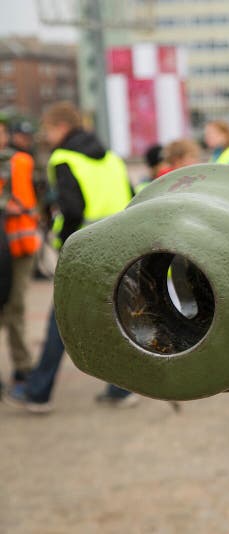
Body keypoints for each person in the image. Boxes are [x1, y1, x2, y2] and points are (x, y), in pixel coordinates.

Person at [5, 102, 137, 413]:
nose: (46, 137)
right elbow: (132, 196)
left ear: (62, 127)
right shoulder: (112, 158)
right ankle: (122, 388)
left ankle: (39, 392)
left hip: (86, 249)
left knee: (62, 319)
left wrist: (63, 237)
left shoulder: (63, 158)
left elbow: (73, 209)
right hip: (120, 243)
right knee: (114, 315)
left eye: (48, 131)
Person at [0, 121, 41, 390]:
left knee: (15, 308)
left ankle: (22, 367)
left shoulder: (21, 161)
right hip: (7, 246)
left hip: (21, 247)